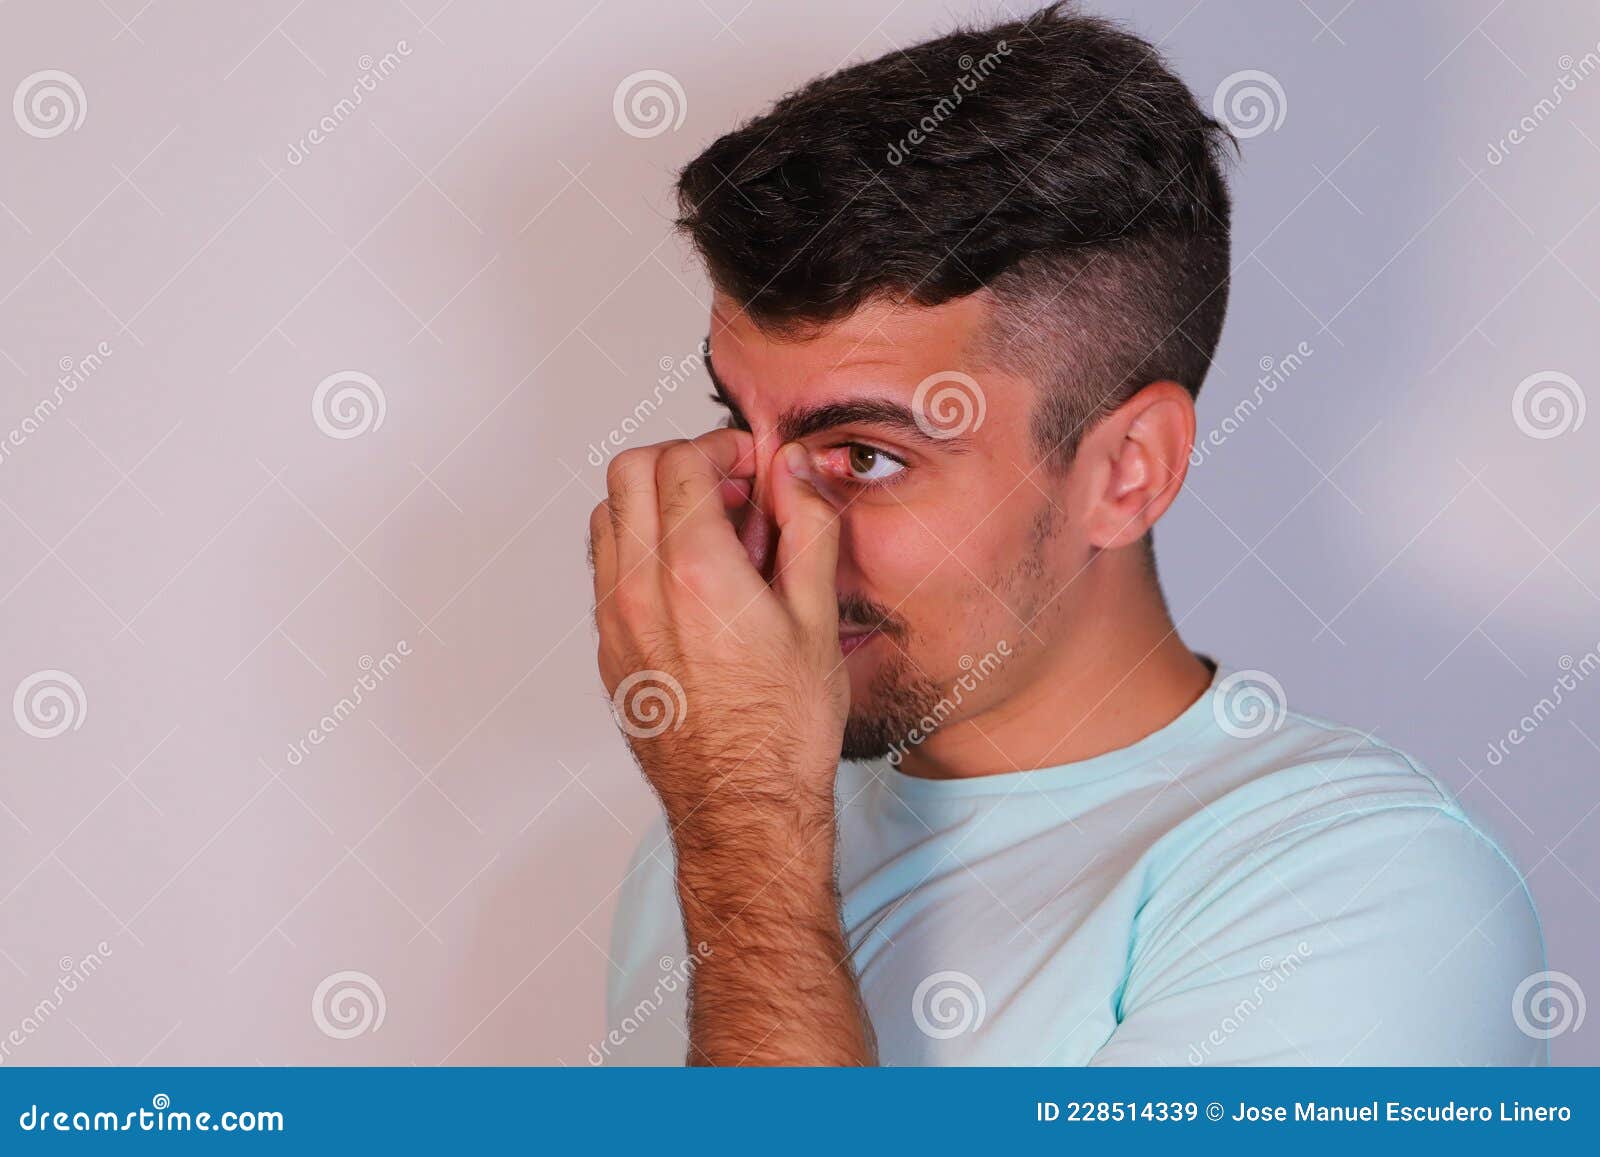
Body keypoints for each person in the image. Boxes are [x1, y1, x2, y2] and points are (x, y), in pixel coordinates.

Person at [588, 2, 1543, 1065]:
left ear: (1128, 472)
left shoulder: (1363, 887)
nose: (761, 537)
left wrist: (743, 818)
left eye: (865, 455)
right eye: (740, 428)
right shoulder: (724, 835)